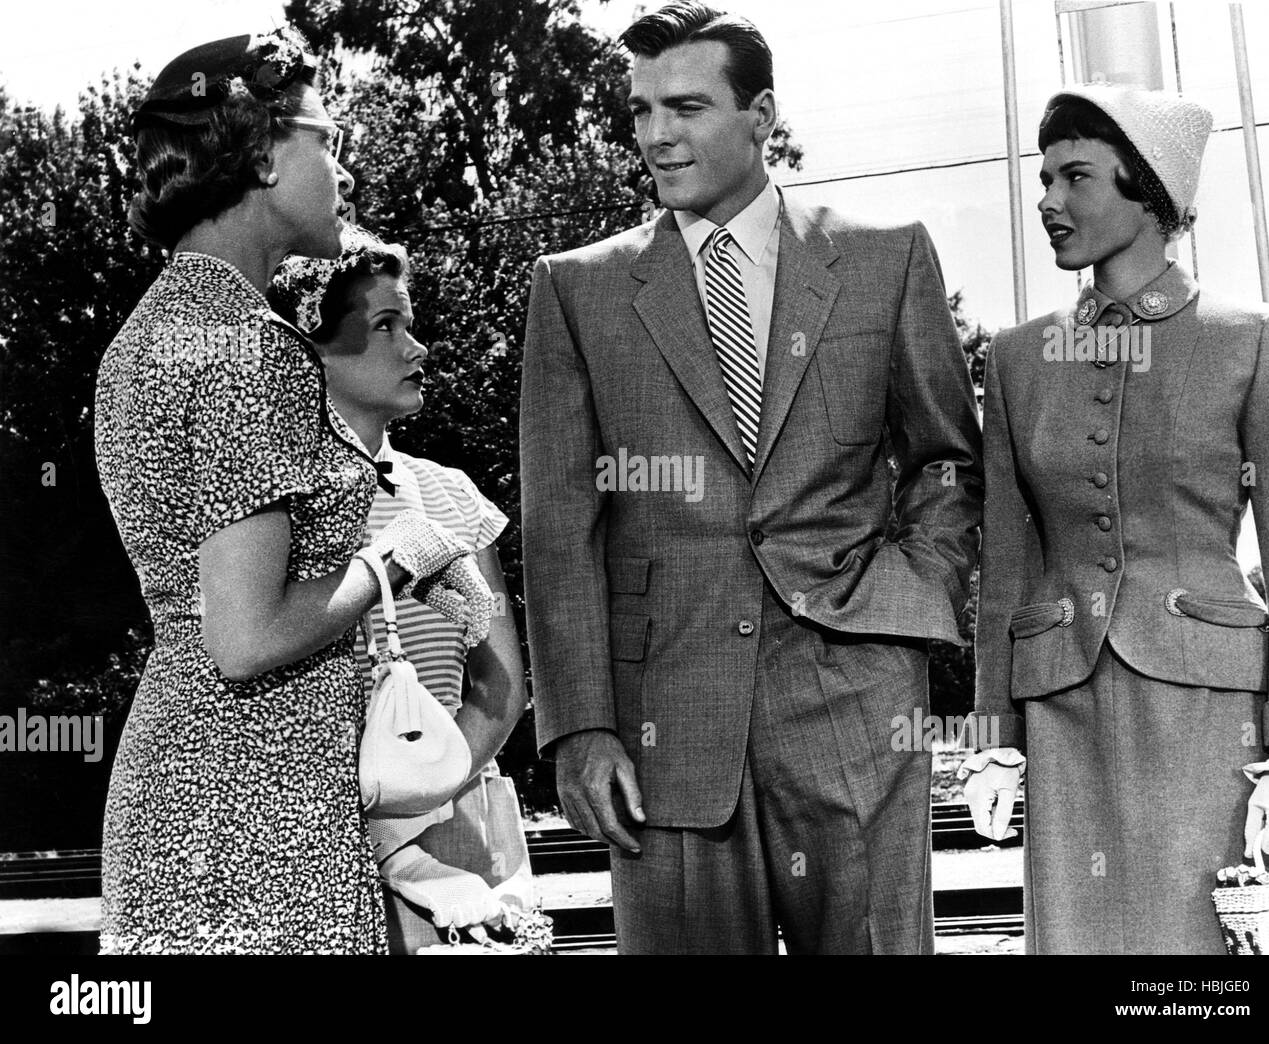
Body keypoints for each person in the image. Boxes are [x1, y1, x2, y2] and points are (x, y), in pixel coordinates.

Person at [519, 1, 982, 955]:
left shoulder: (886, 256)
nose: (654, 135)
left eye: (684, 106)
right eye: (641, 111)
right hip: (663, 722)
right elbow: (559, 525)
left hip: (854, 702)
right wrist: (579, 729)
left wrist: (905, 598)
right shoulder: (577, 288)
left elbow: (946, 460)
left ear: (762, 114)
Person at [94, 30, 490, 954]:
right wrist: (398, 558)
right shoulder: (253, 343)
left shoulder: (144, 336)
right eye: (329, 140)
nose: (343, 169)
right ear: (265, 152)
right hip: (255, 805)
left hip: (177, 794)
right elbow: (249, 637)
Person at [963, 82, 1269, 954]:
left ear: (1147, 193)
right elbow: (1006, 565)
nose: (1048, 201)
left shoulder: (1252, 338)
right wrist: (992, 740)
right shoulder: (1015, 358)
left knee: (1195, 971)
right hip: (1062, 708)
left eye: (1076, 176)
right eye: (1043, 179)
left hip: (1209, 709)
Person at [269, 227, 536, 954]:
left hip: (450, 834)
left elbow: (500, 689)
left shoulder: (449, 497)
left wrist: (419, 798)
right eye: (386, 325)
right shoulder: (267, 513)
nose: (416, 348)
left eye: (410, 324)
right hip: (316, 844)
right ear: (312, 349)